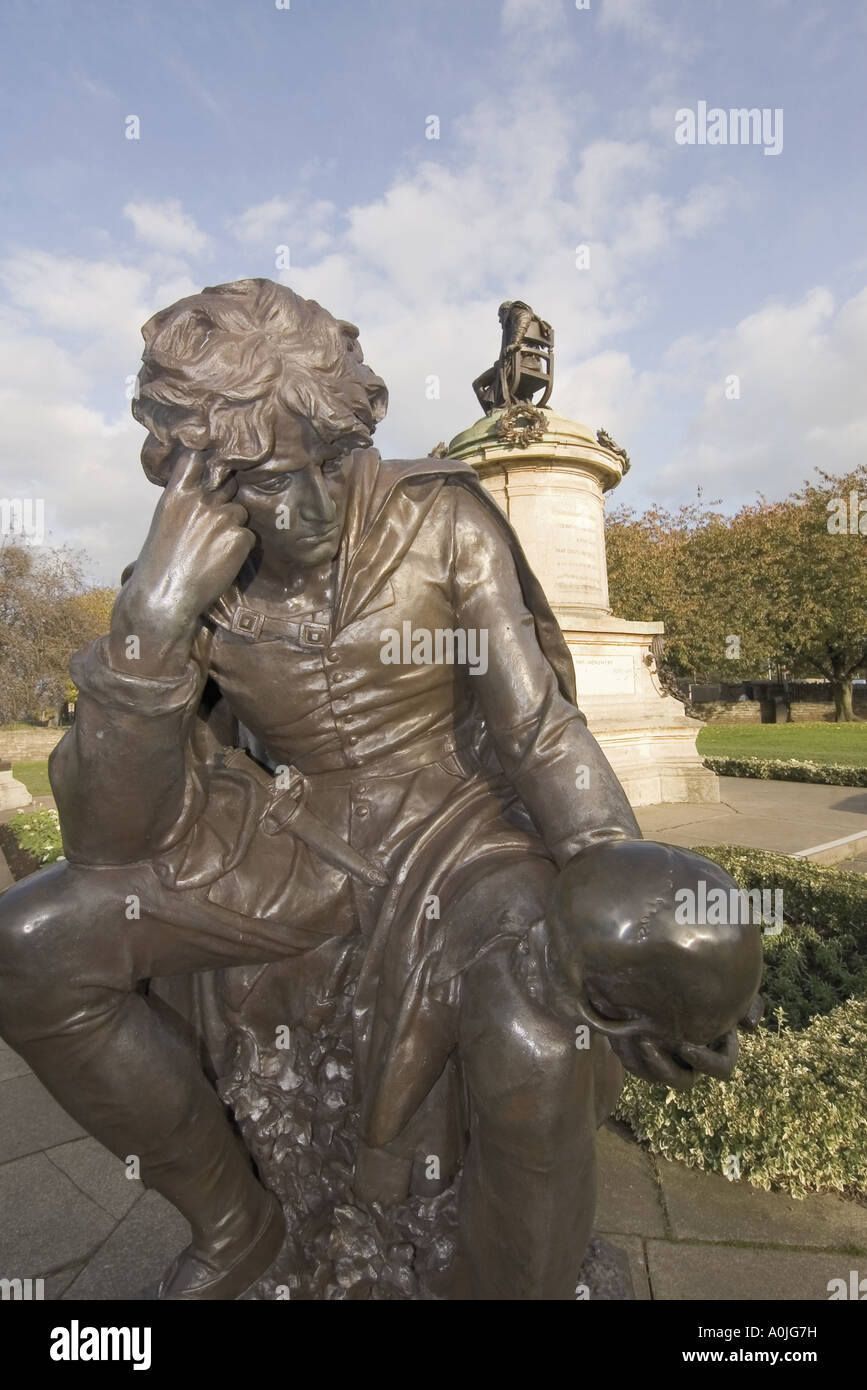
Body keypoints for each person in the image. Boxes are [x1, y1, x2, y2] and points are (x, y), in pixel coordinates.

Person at [0, 279, 758, 1301]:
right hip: (284, 847)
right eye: (247, 483)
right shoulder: (185, 568)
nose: (295, 510)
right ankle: (241, 1232)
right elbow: (110, 842)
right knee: (34, 945)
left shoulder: (444, 519)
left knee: (531, 1031)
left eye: (316, 464)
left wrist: (625, 924)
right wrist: (150, 625)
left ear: (343, 430)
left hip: (460, 838)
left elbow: (536, 729)